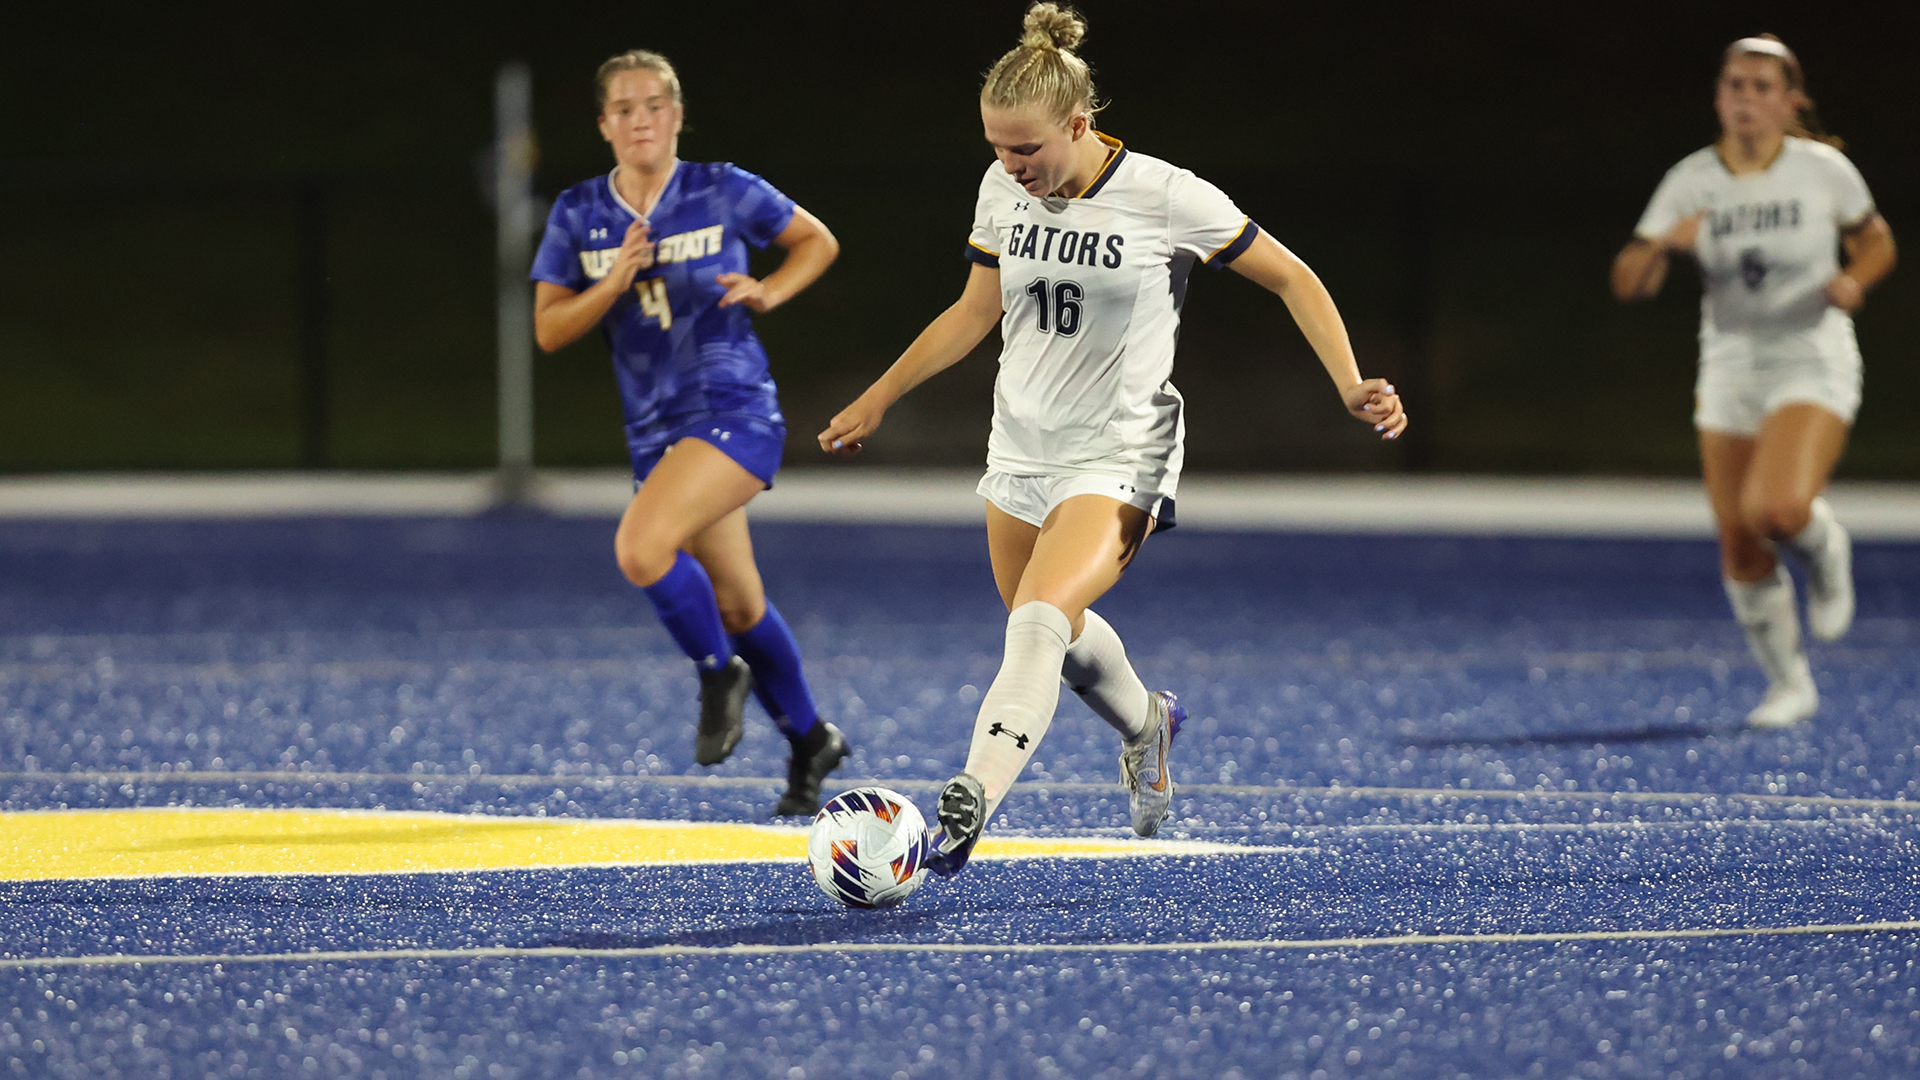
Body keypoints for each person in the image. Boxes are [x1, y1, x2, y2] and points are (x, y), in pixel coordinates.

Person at [818, 4, 1406, 876]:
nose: (1011, 167)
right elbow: (976, 311)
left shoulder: (1168, 195)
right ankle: (1147, 723)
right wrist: (880, 396)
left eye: (1027, 150)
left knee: (1036, 623)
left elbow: (1293, 276)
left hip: (1120, 451)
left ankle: (971, 798)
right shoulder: (1001, 189)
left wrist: (1350, 381)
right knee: (1053, 632)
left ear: (1079, 125)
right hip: (1020, 447)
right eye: (995, 148)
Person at [531, 49, 850, 814]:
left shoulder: (721, 187)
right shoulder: (579, 212)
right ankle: (811, 740)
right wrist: (611, 281)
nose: (642, 120)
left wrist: (770, 290)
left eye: (655, 106)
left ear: (677, 116)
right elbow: (548, 329)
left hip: (733, 409)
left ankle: (717, 673)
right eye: (625, 109)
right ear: (604, 125)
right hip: (656, 434)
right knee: (739, 606)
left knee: (641, 548)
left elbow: (818, 241)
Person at [1612, 35, 1896, 729]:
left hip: (1808, 351)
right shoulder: (1691, 181)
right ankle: (1789, 685)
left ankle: (1823, 546)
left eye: (1762, 87)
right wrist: (1661, 247)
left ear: (1791, 102)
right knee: (1739, 538)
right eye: (1735, 85)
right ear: (1718, 98)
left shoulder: (1822, 170)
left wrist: (1854, 282)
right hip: (1732, 361)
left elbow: (1876, 241)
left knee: (1776, 509)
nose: (1746, 99)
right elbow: (1629, 283)